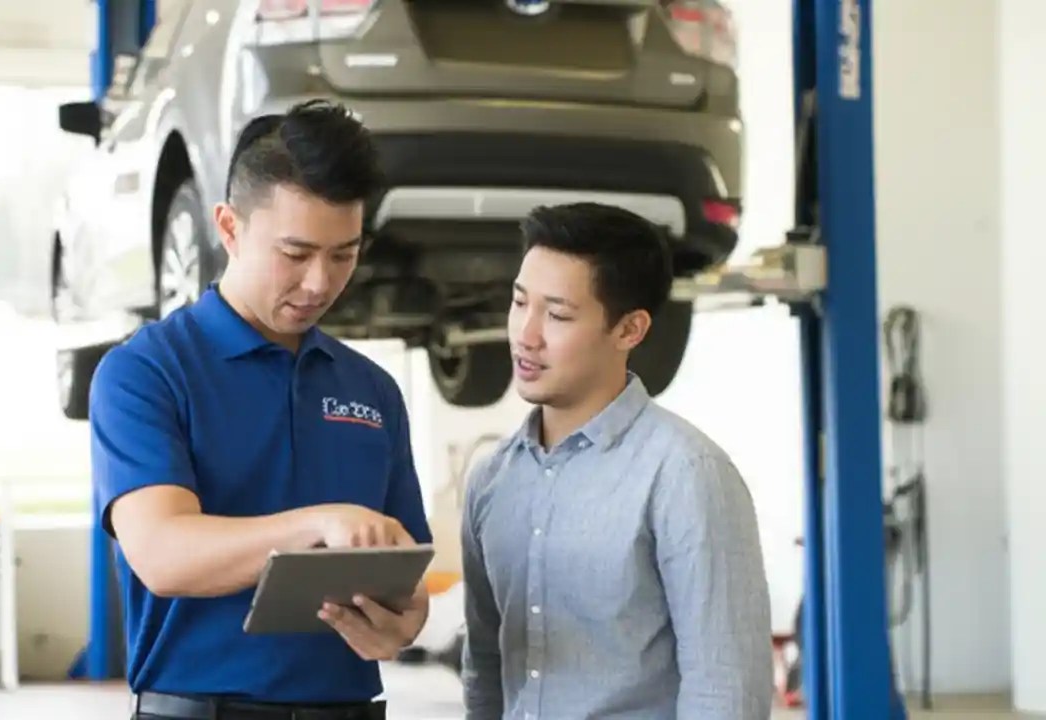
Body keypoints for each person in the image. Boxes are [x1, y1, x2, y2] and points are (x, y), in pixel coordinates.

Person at [89, 99, 433, 720]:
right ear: (229, 228)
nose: (319, 283)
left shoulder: (373, 391)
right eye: (295, 253)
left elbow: (405, 574)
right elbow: (163, 553)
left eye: (343, 254)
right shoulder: (146, 372)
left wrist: (401, 623)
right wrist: (319, 524)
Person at [460, 203, 773, 719]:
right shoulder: (493, 480)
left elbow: (725, 688)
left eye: (558, 315)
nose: (526, 335)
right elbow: (485, 666)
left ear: (630, 329)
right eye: (519, 303)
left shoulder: (685, 475)